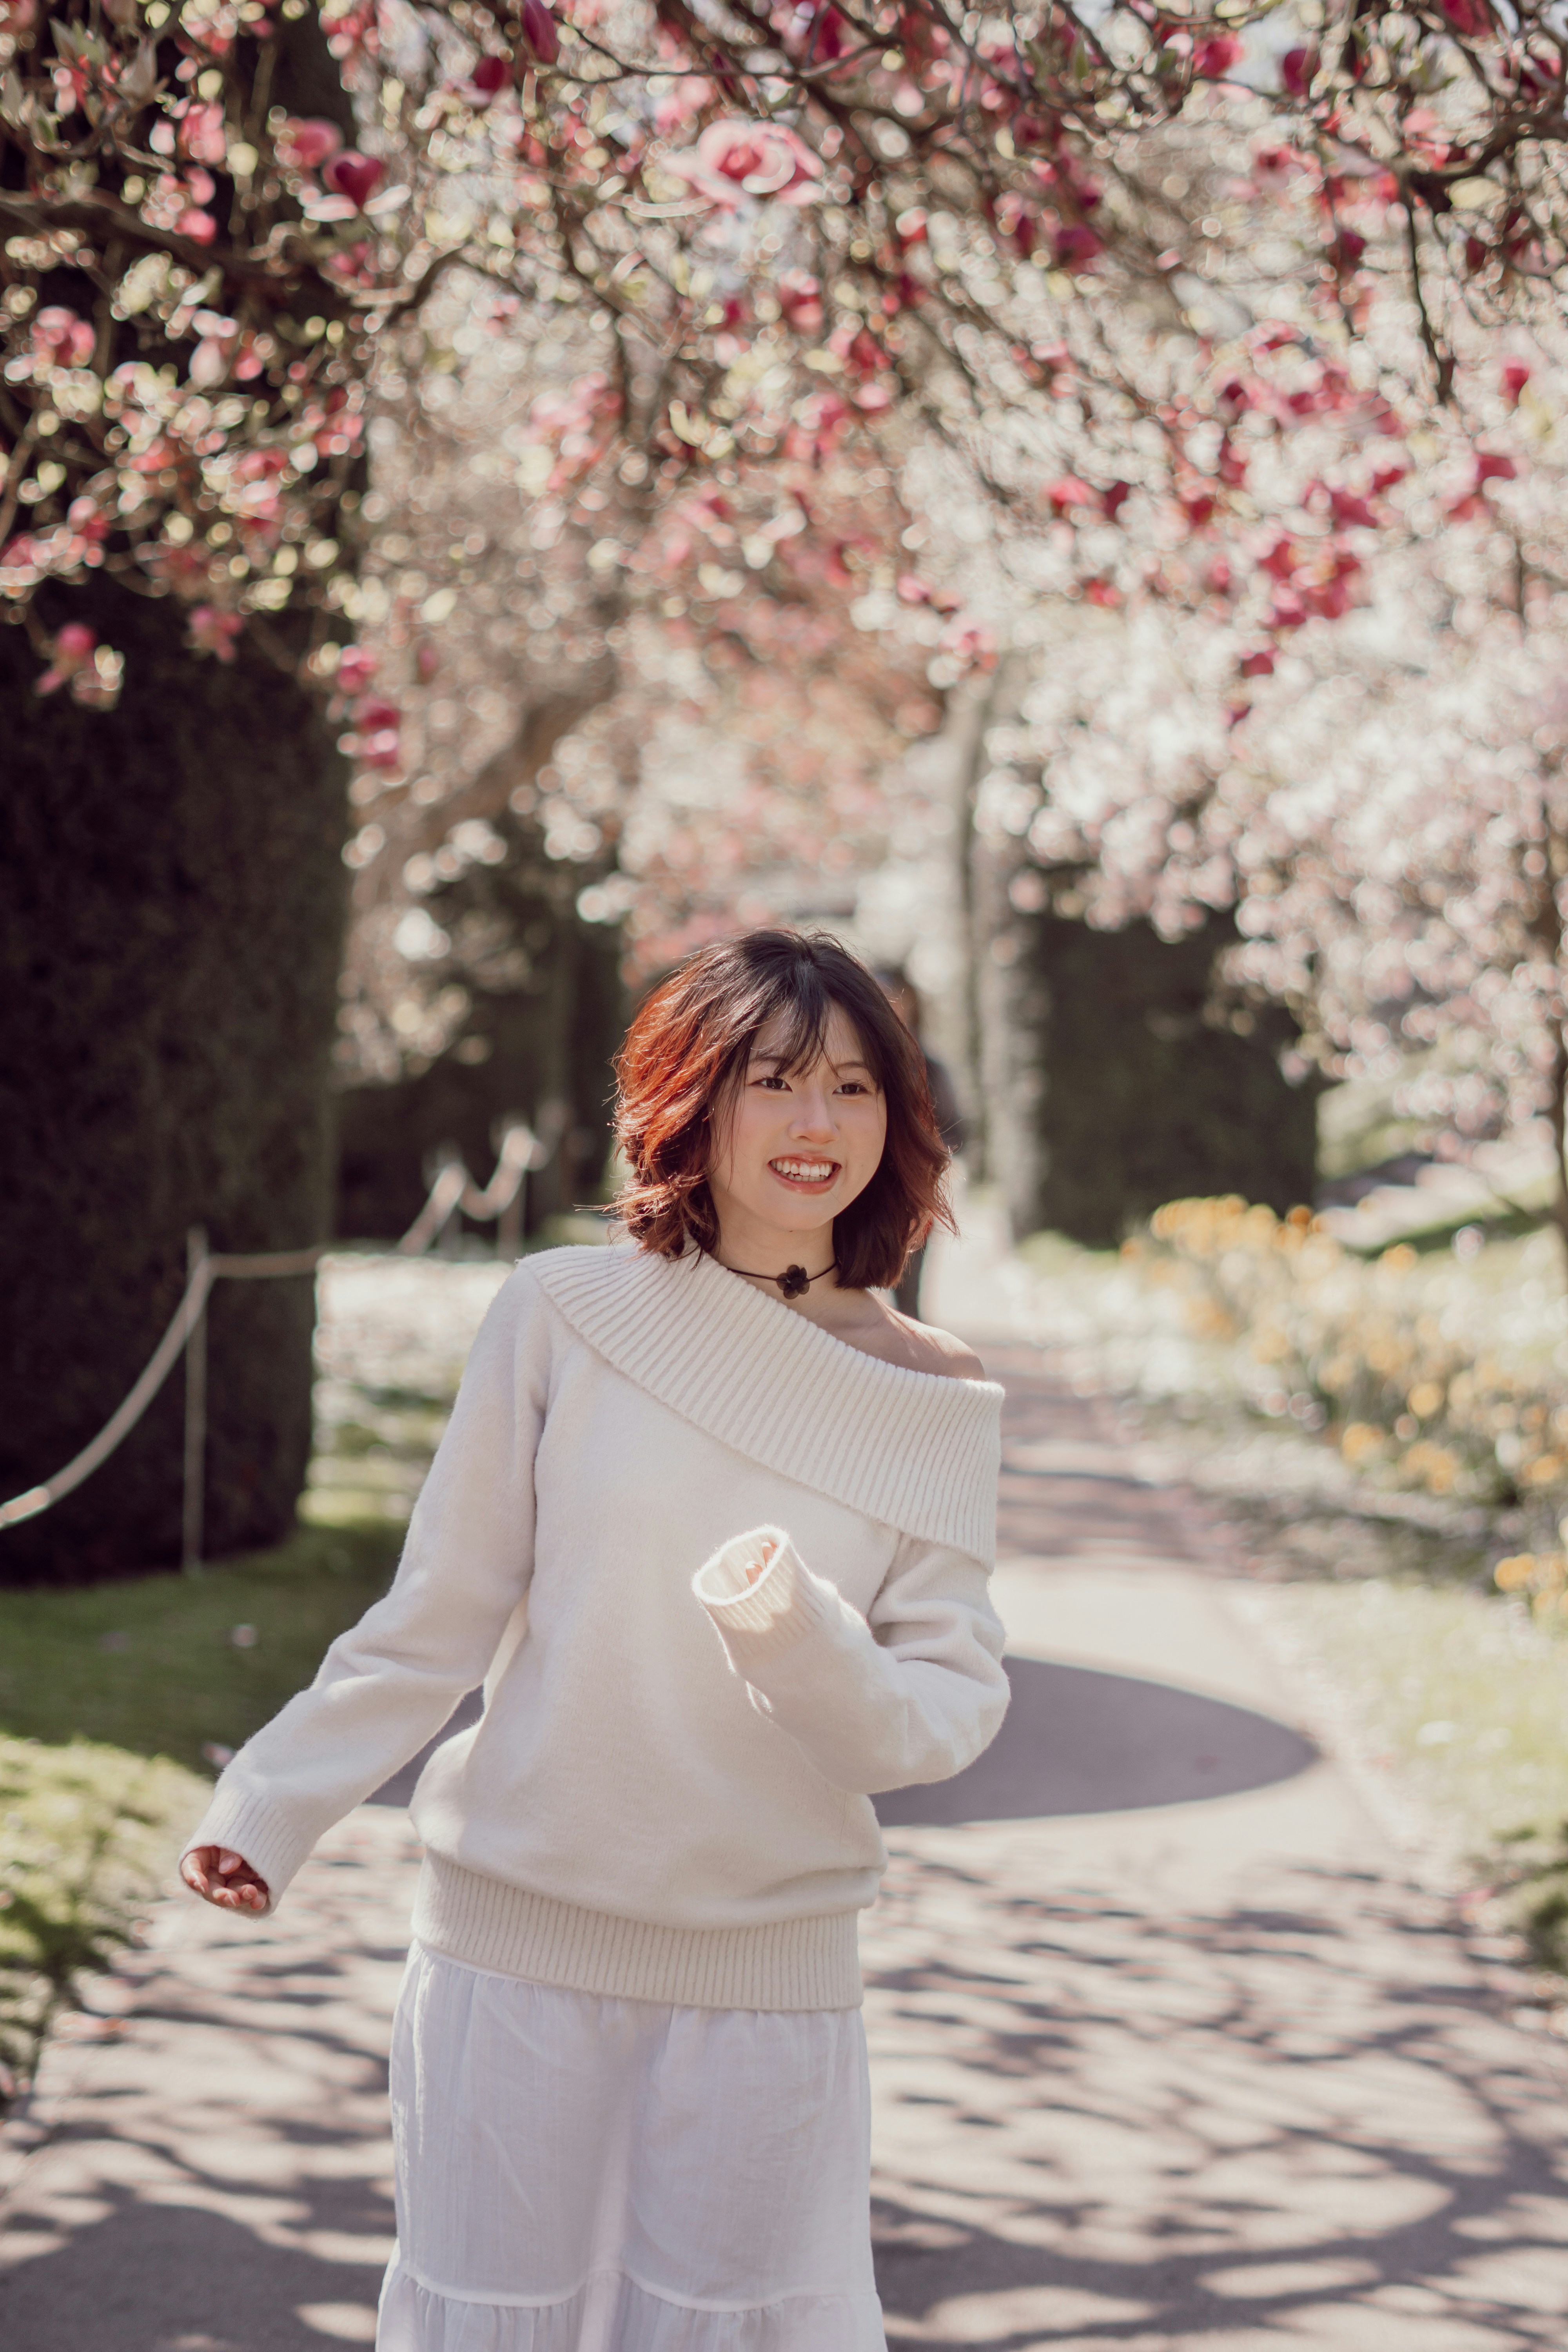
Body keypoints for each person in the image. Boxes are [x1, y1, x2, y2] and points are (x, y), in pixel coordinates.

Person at [180, 927, 1009, 2352]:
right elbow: (438, 1612)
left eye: (853, 1086)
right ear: (694, 1095)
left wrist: (794, 1635)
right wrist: (272, 1799)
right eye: (771, 1080)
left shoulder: (935, 1395)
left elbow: (938, 1715)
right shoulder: (562, 1312)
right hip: (514, 1949)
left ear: (898, 1114)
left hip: (768, 1975)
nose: (814, 1123)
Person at [874, 969, 968, 1321]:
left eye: (895, 998)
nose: (889, 1007)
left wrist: (929, 1153)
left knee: (909, 1291)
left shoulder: (930, 1067)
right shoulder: (855, 1059)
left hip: (912, 1189)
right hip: (859, 1184)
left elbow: (956, 1129)